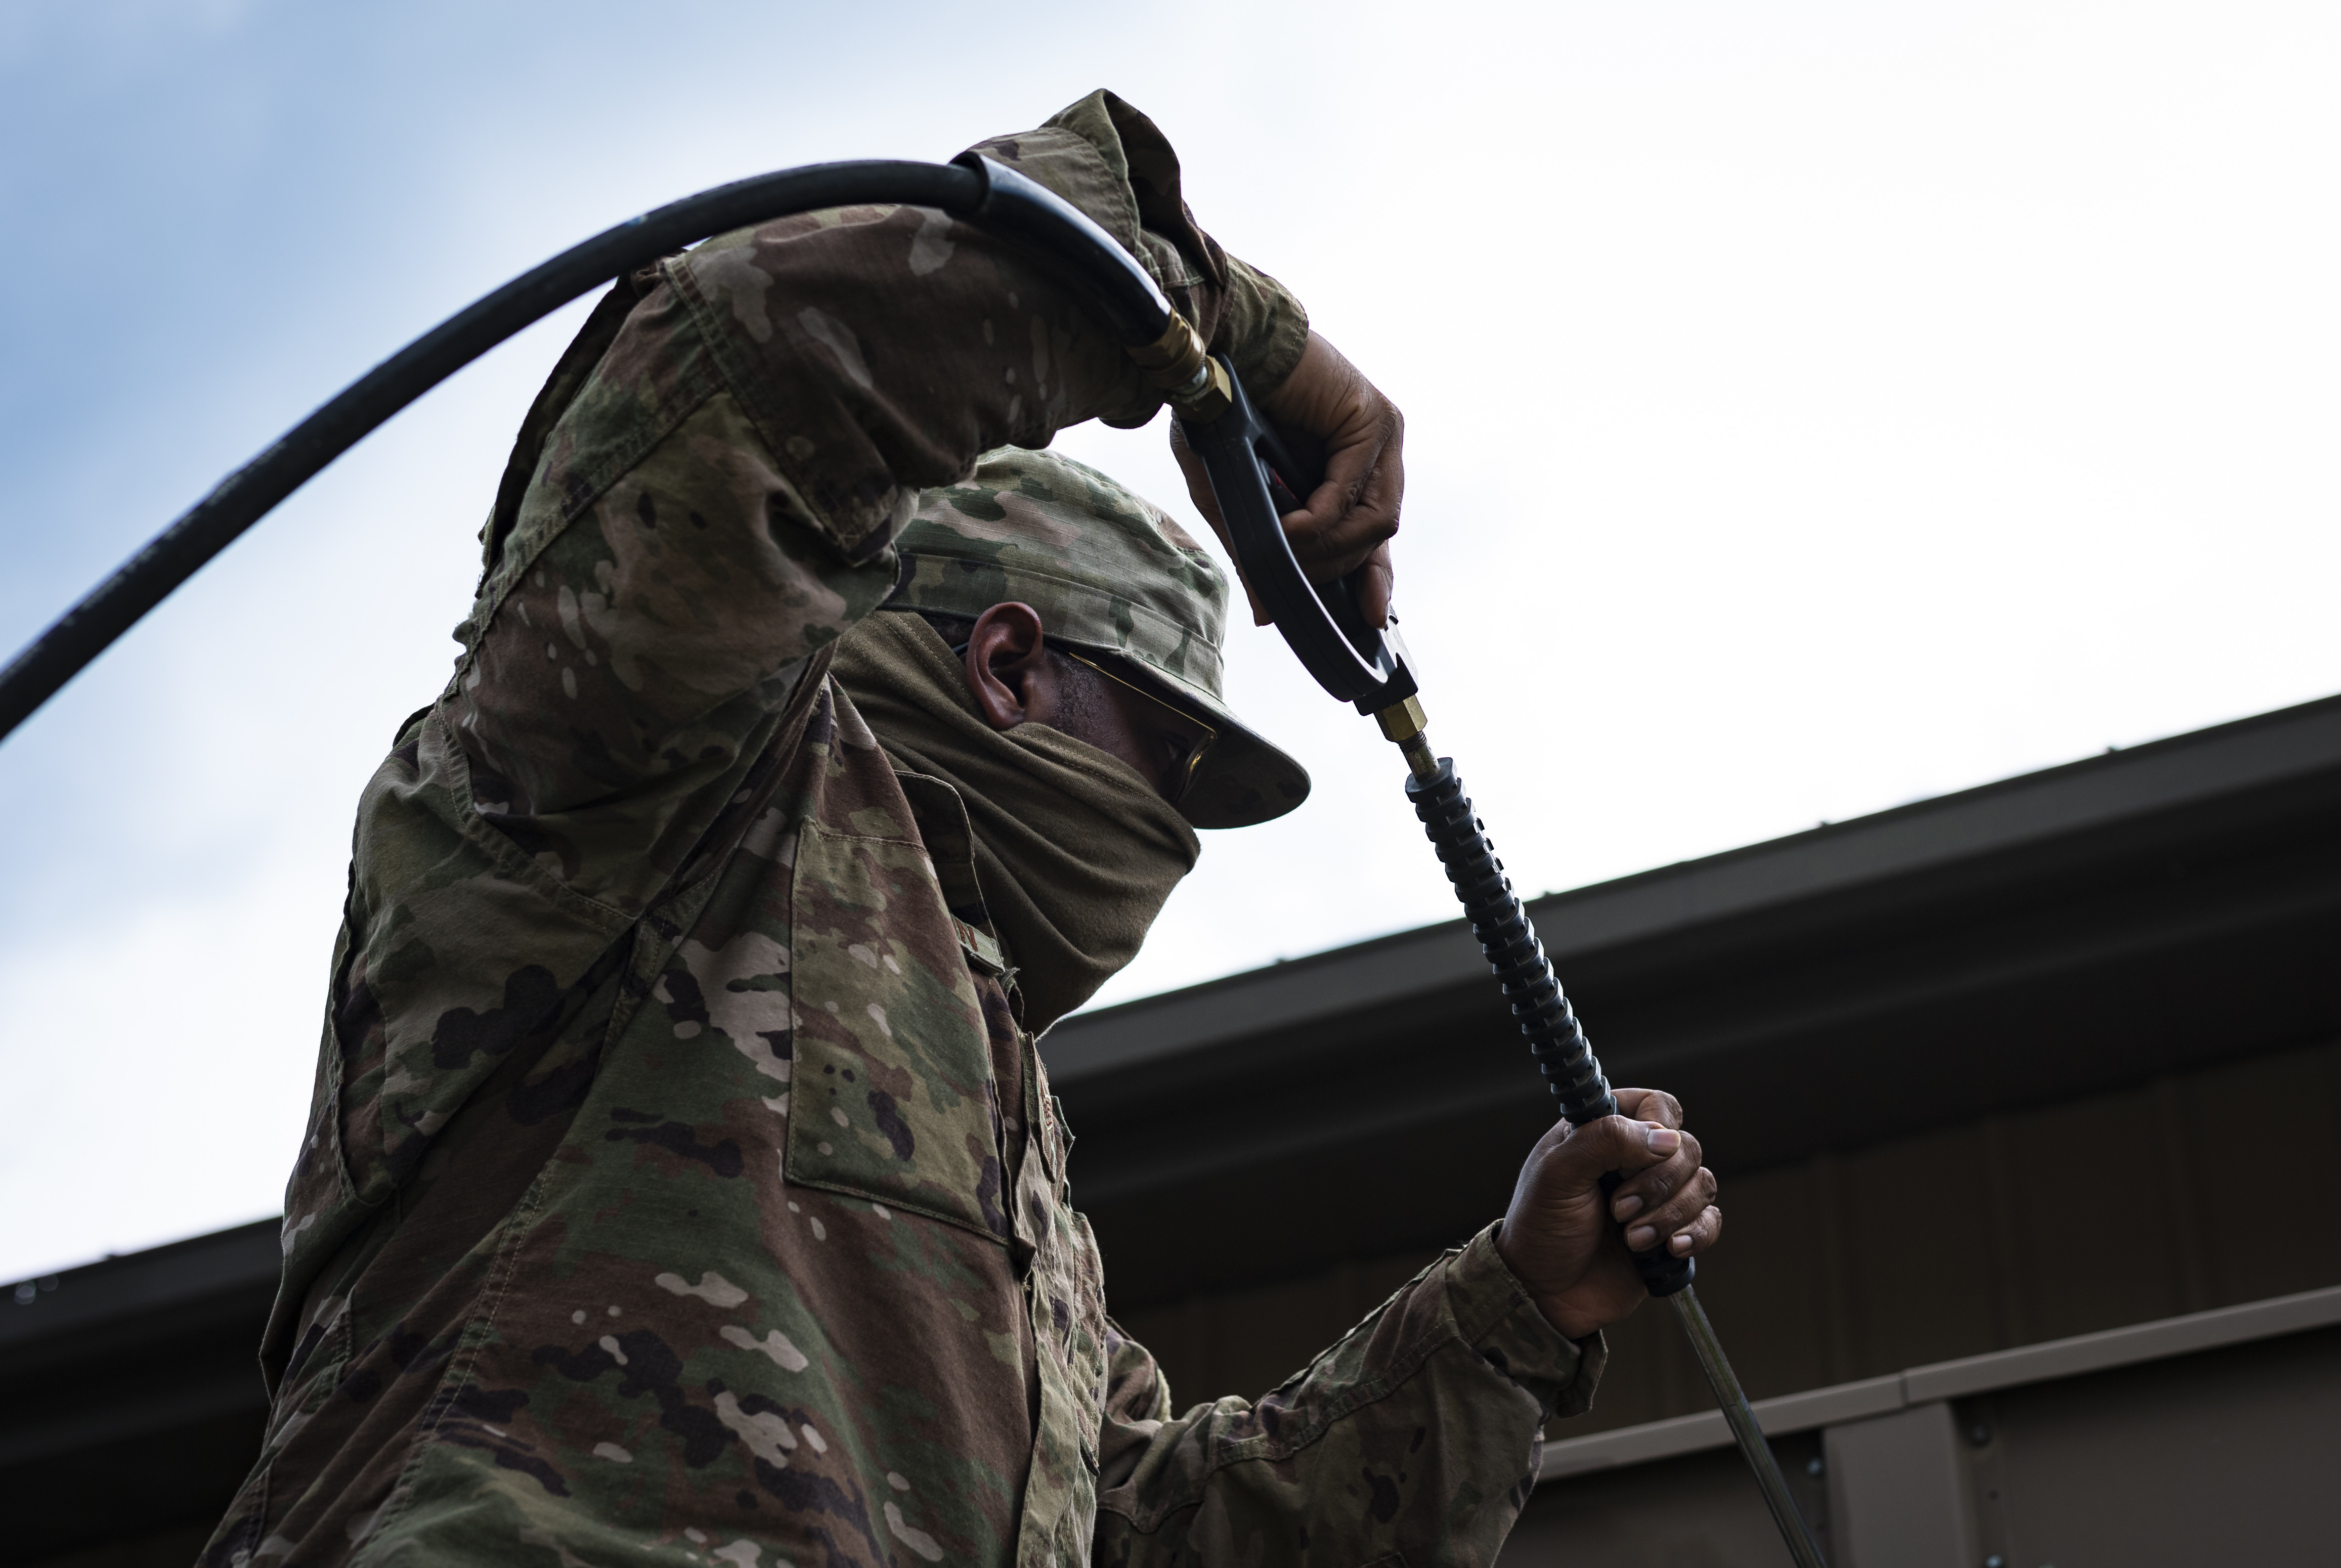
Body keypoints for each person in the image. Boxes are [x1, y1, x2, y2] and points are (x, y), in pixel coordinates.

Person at [201, 91, 1721, 1568]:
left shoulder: (1010, 1153)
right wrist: (1230, 346)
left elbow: (1145, 1533)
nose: (1172, 834)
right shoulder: (654, 785)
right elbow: (755, 371)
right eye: (1173, 756)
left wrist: (1517, 1307)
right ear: (1006, 665)